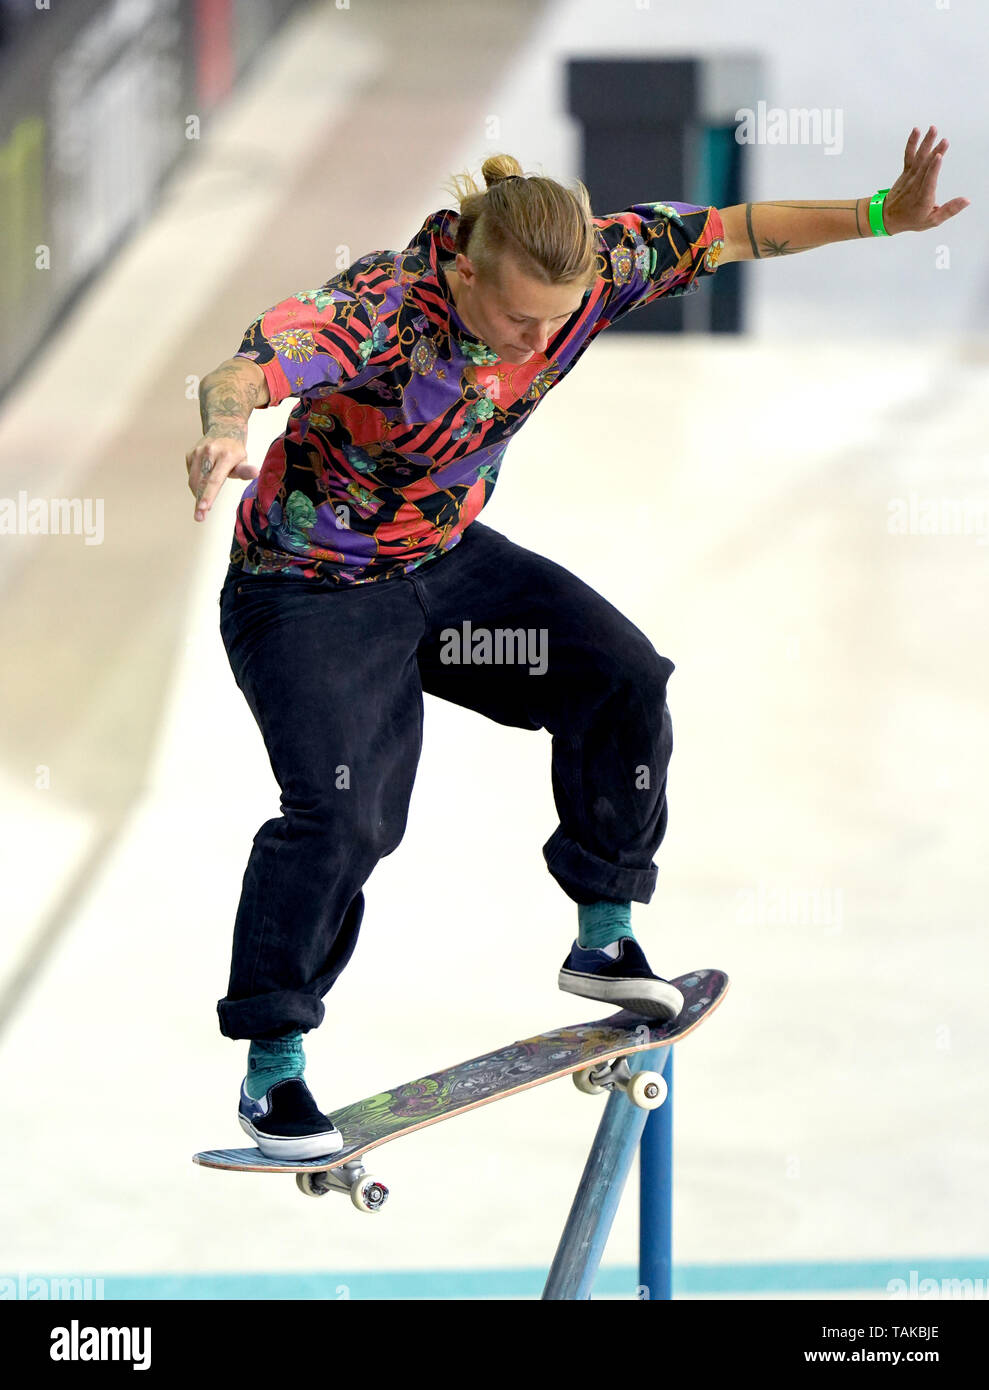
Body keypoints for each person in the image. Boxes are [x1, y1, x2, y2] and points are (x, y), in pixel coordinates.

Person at [185, 132, 967, 1160]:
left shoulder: (595, 267)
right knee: (345, 814)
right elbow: (243, 367)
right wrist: (225, 430)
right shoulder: (381, 307)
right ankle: (272, 1064)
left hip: (446, 570)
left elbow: (737, 232)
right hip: (308, 591)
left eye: (549, 324)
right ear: (464, 265)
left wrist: (877, 214)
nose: (526, 343)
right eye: (511, 316)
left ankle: (603, 934)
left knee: (621, 679)